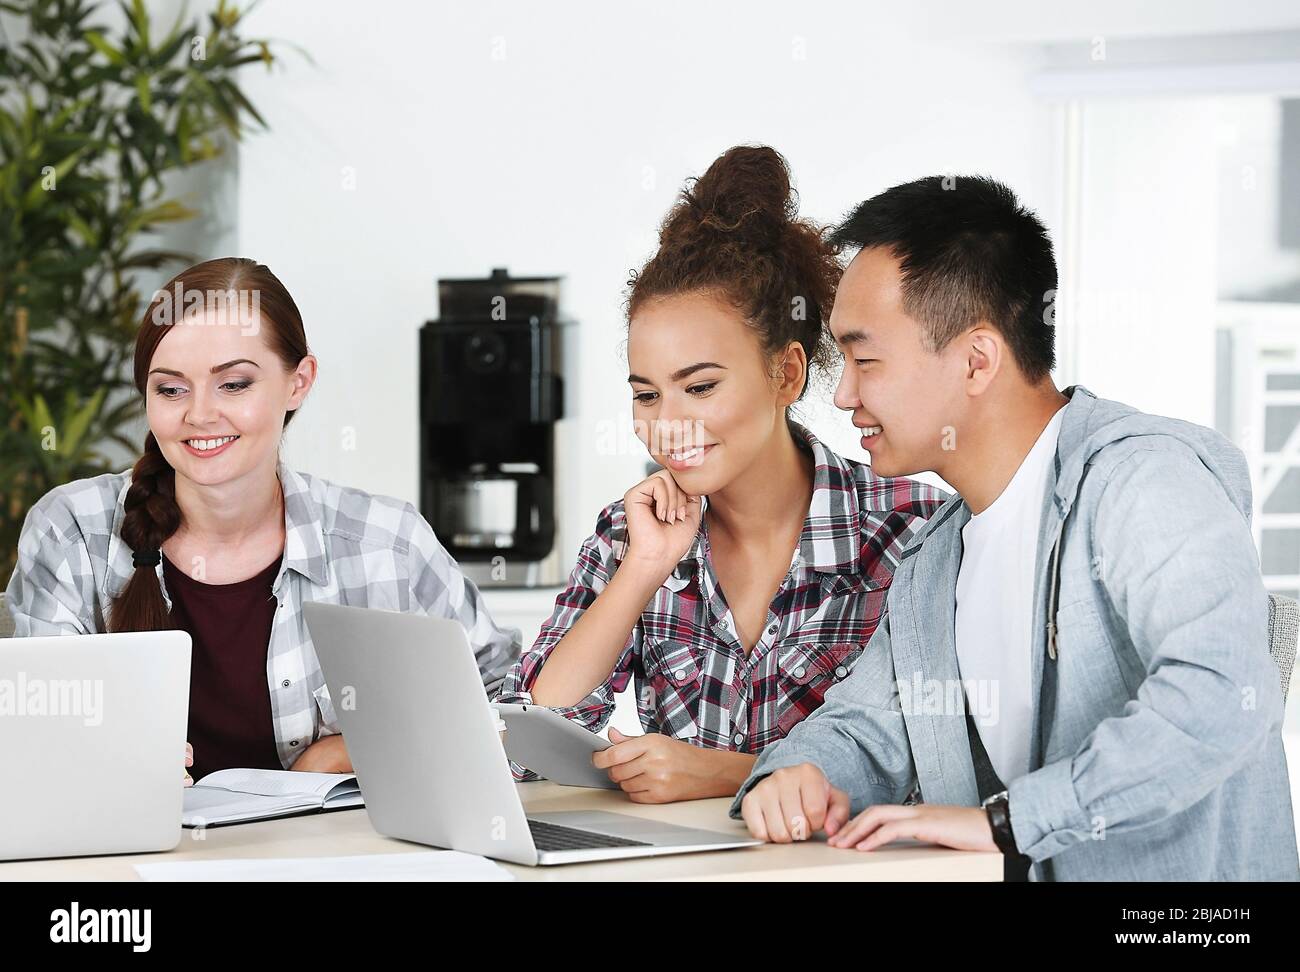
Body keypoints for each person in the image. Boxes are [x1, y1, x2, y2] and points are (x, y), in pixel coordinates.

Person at [732, 174, 1300, 881]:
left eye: (864, 359)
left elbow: (1219, 695)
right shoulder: (935, 558)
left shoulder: (1142, 481)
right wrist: (794, 774)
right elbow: (863, 726)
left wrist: (1007, 822)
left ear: (977, 360)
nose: (843, 395)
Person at [496, 146, 945, 802]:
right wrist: (643, 568)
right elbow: (527, 745)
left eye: (700, 387)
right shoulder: (632, 534)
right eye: (646, 395)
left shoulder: (909, 532)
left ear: (785, 374)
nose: (667, 424)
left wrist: (725, 774)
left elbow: (930, 768)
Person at [6, 257, 520, 781]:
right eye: (170, 389)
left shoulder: (386, 544)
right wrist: (105, 761)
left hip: (329, 860)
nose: (200, 415)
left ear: (298, 383)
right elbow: (34, 740)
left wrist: (359, 751)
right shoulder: (71, 532)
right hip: (125, 859)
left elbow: (510, 706)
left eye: (233, 385)